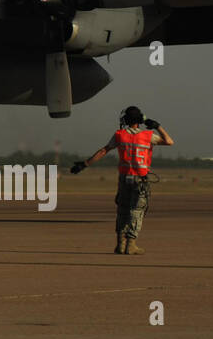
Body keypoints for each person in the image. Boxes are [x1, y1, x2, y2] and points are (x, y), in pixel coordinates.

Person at [70, 106, 174, 255]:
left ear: (125, 120)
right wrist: (157, 126)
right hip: (140, 179)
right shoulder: (147, 135)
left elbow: (103, 150)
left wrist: (84, 164)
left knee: (122, 210)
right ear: (139, 120)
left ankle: (120, 244)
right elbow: (169, 141)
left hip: (124, 179)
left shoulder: (120, 135)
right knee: (136, 211)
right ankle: (131, 244)